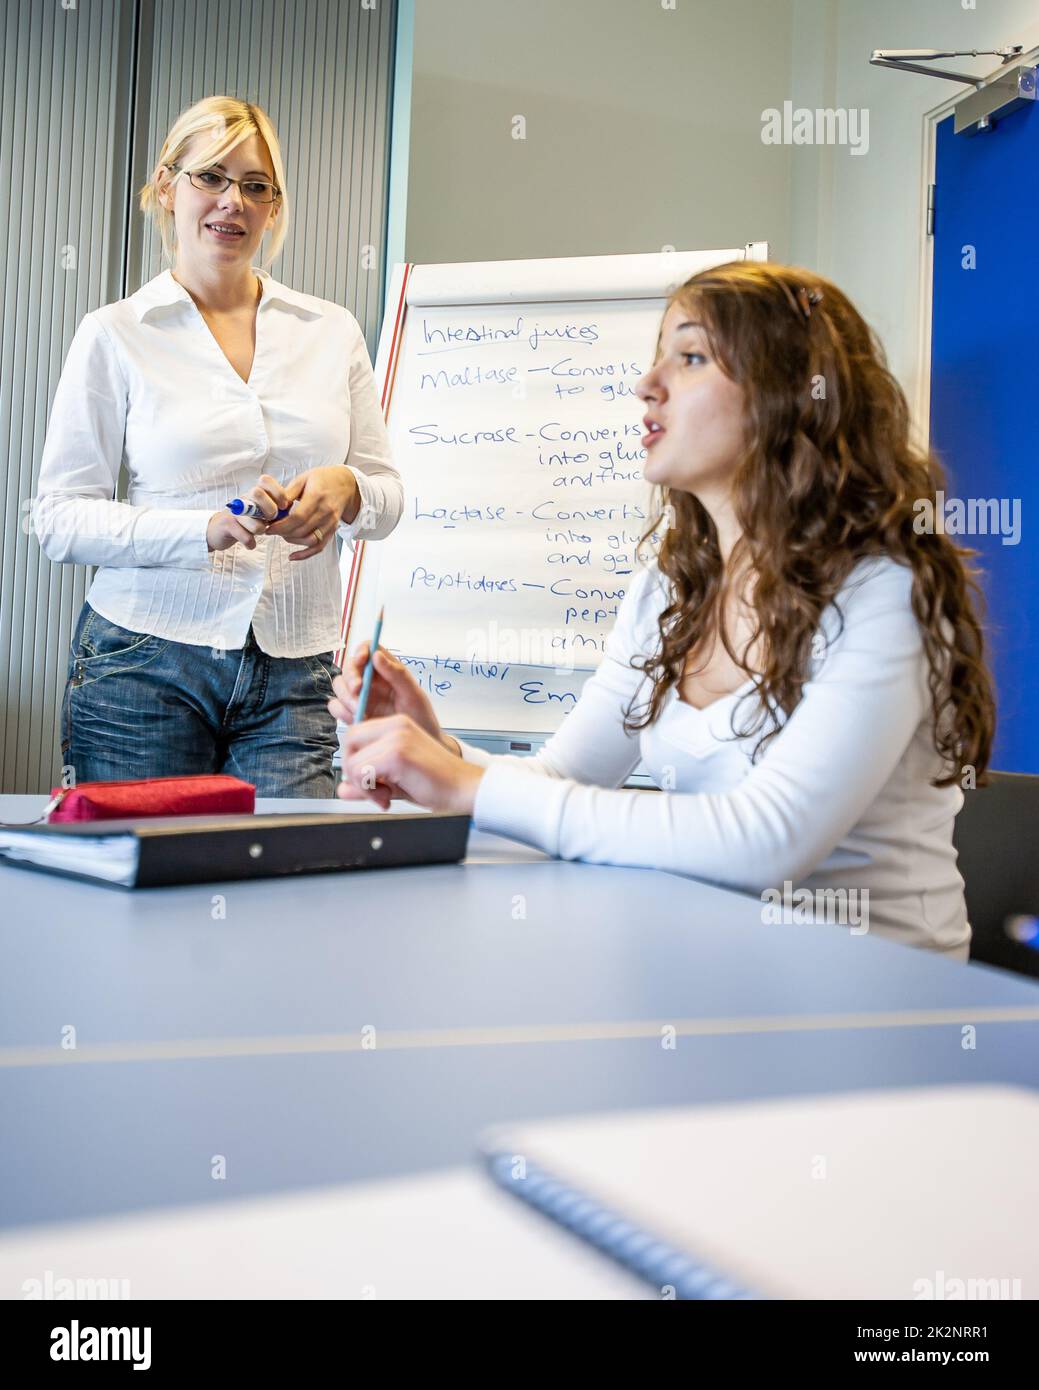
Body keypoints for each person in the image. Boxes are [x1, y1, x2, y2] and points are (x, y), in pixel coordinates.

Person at [329, 261, 996, 957]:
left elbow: (766, 841)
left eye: (691, 357)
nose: (645, 385)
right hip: (713, 967)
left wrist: (464, 787)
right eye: (656, 360)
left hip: (880, 999)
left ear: (793, 392)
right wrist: (436, 752)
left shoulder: (885, 588)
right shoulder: (670, 585)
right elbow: (565, 777)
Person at [34, 96, 403, 796]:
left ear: (273, 207)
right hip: (141, 664)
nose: (233, 202)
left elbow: (387, 497)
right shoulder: (115, 333)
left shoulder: (330, 330)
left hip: (296, 669)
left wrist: (348, 488)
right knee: (138, 886)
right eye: (211, 176)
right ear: (167, 187)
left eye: (255, 185)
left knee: (286, 893)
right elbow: (58, 518)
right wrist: (205, 529)